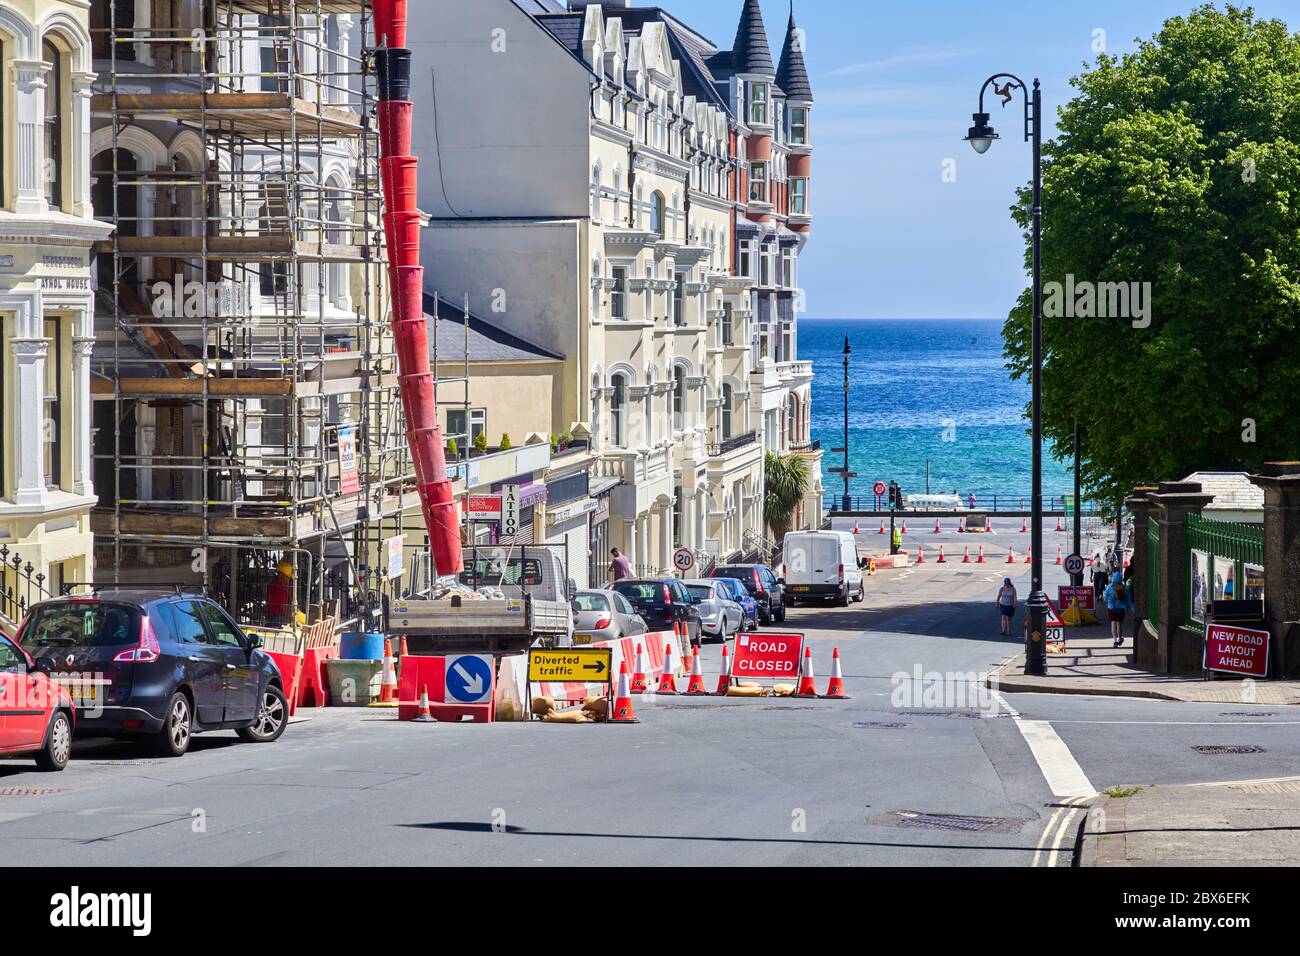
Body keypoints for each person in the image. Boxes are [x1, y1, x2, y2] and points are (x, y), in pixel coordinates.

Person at [1104, 570, 1134, 647]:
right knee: (1119, 624)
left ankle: (1114, 640)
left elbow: (1105, 597)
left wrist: (1108, 603)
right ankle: (1119, 638)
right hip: (1121, 609)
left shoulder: (1109, 587)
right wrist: (1132, 609)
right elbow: (1129, 600)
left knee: (1113, 624)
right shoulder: (1124, 588)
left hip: (1111, 608)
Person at [267, 560, 294, 624]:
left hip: (275, 615)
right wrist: (293, 620)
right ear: (280, 575)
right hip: (278, 617)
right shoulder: (279, 587)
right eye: (287, 577)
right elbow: (284, 607)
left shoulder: (276, 583)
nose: (289, 579)